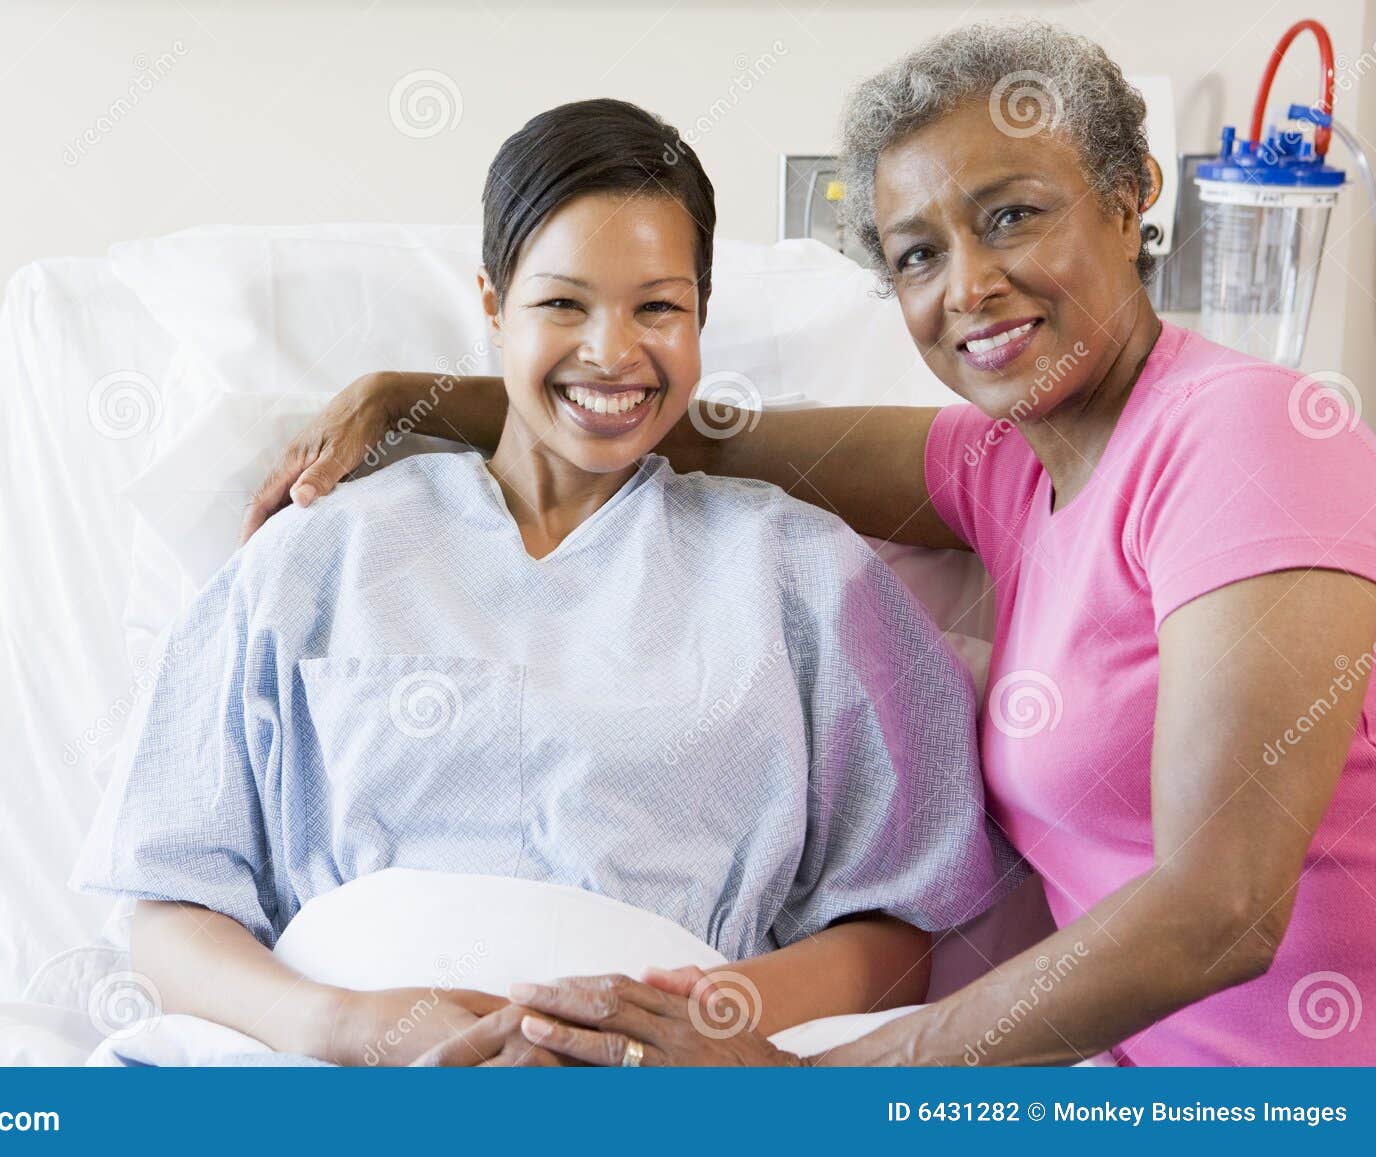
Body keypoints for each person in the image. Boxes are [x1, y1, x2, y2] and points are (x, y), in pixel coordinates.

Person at [246, 25, 1376, 1066]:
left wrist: (805, 1085)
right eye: (915, 255)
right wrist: (426, 396)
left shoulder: (1242, 433)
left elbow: (1219, 907)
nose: (968, 285)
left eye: (1012, 215)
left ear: (1130, 201)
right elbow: (699, 431)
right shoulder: (1009, 465)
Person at [72, 98, 1016, 1067]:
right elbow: (168, 903)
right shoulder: (314, 555)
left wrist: (695, 1025)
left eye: (658, 306)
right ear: (491, 302)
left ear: (700, 312)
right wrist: (349, 1028)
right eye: (562, 303)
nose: (612, 352)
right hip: (329, 1067)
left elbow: (900, 922)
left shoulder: (804, 572)